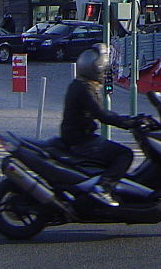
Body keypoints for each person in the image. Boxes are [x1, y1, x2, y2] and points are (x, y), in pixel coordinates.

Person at [60, 44, 142, 206]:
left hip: (76, 136)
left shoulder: (78, 84)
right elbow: (101, 114)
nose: (105, 74)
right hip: (81, 140)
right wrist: (129, 122)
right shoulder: (85, 89)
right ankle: (104, 188)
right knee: (125, 154)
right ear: (96, 70)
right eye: (104, 70)